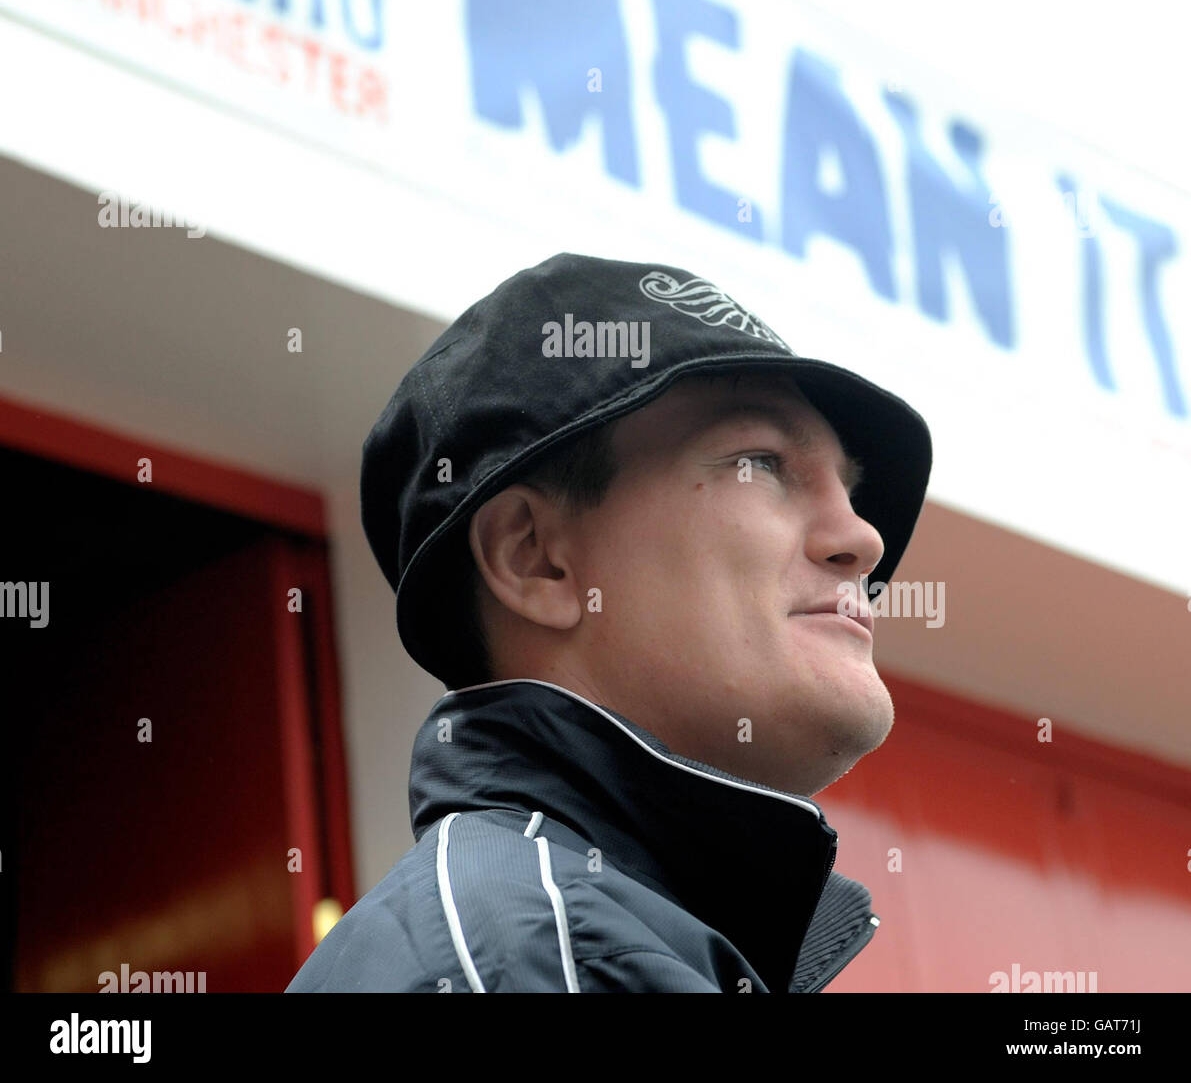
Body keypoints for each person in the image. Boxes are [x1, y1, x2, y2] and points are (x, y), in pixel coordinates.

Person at [286, 251, 931, 993]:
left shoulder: (578, 938)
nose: (865, 539)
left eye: (848, 489)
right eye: (762, 462)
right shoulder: (539, 959)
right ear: (535, 558)